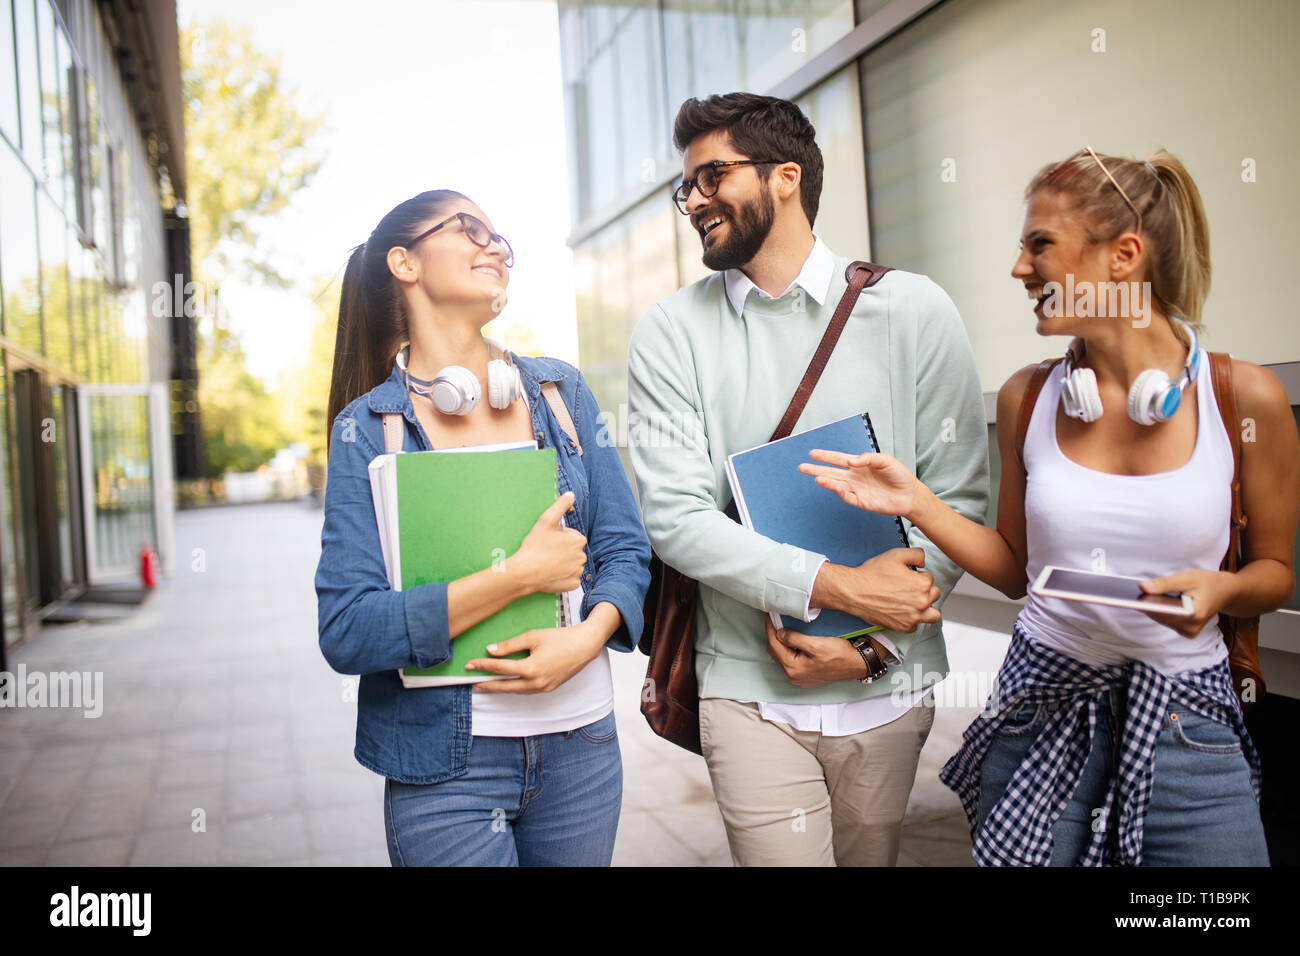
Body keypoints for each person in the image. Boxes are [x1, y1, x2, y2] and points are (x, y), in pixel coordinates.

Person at [799, 147, 1300, 866]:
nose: (1018, 268)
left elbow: (1277, 572)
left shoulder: (1241, 398)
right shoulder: (1027, 398)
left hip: (1187, 720)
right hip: (1042, 705)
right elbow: (1015, 571)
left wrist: (1225, 589)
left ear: (1123, 256)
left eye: (1040, 246)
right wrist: (918, 501)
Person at [626, 92, 989, 866]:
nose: (694, 200)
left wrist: (870, 650)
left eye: (711, 175)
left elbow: (958, 504)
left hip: (888, 687)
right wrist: (840, 589)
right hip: (745, 692)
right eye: (685, 186)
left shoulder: (916, 311)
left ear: (785, 176)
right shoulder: (670, 331)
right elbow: (676, 518)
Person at [314, 189, 651, 866]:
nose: (495, 246)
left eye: (500, 238)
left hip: (581, 749)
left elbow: (624, 547)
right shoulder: (365, 430)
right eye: (470, 230)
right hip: (445, 768)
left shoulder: (560, 393)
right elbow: (348, 630)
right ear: (404, 262)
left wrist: (586, 639)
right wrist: (515, 577)